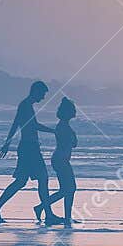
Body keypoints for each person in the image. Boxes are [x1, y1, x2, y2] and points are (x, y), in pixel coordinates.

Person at [0, 80, 54, 223]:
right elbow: (33, 125)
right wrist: (54, 131)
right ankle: (48, 215)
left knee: (21, 181)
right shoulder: (26, 106)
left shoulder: (24, 105)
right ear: (36, 91)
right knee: (42, 178)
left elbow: (15, 124)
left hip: (26, 148)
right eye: (42, 94)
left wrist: (7, 143)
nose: (43, 97)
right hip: (30, 149)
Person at [35, 97, 79, 227]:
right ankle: (44, 207)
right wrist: (74, 136)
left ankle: (44, 208)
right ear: (68, 112)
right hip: (61, 160)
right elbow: (73, 143)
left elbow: (72, 144)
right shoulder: (63, 127)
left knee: (67, 189)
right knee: (69, 189)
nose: (75, 112)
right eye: (73, 110)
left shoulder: (64, 126)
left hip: (61, 159)